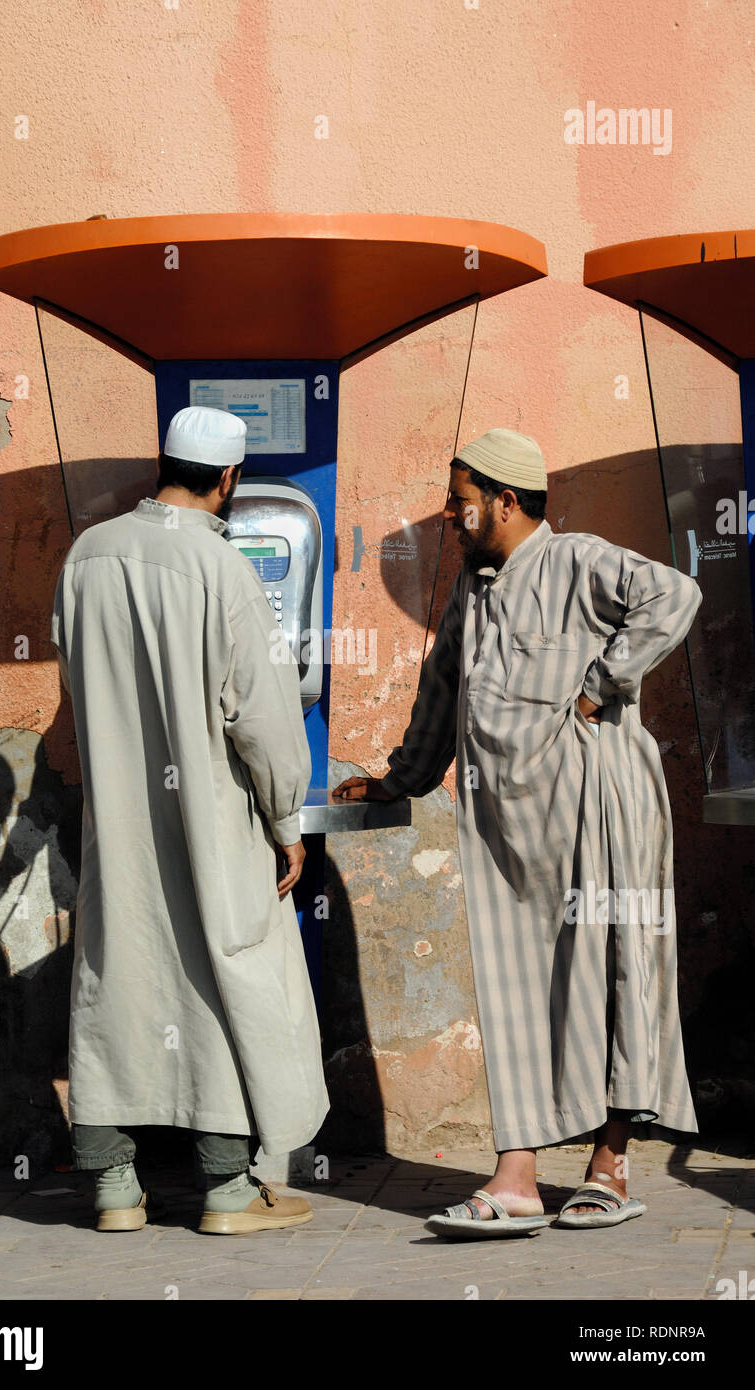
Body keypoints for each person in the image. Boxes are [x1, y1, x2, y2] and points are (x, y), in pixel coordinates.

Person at [334, 428, 702, 1237]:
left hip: (600, 812)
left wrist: (602, 685)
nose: (448, 517)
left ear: (505, 501)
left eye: (459, 503)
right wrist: (400, 778)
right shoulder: (474, 588)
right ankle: (518, 1178)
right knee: (515, 992)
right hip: (506, 831)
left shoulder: (578, 561)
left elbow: (675, 596)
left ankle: (608, 1165)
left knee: (610, 975)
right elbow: (440, 689)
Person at [51, 405, 328, 1234]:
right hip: (213, 816)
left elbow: (76, 679)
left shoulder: (85, 555)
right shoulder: (222, 569)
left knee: (115, 975)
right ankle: (227, 1189)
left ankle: (111, 1186)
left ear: (163, 462)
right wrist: (286, 819)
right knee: (225, 978)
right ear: (230, 480)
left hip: (119, 821)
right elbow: (266, 720)